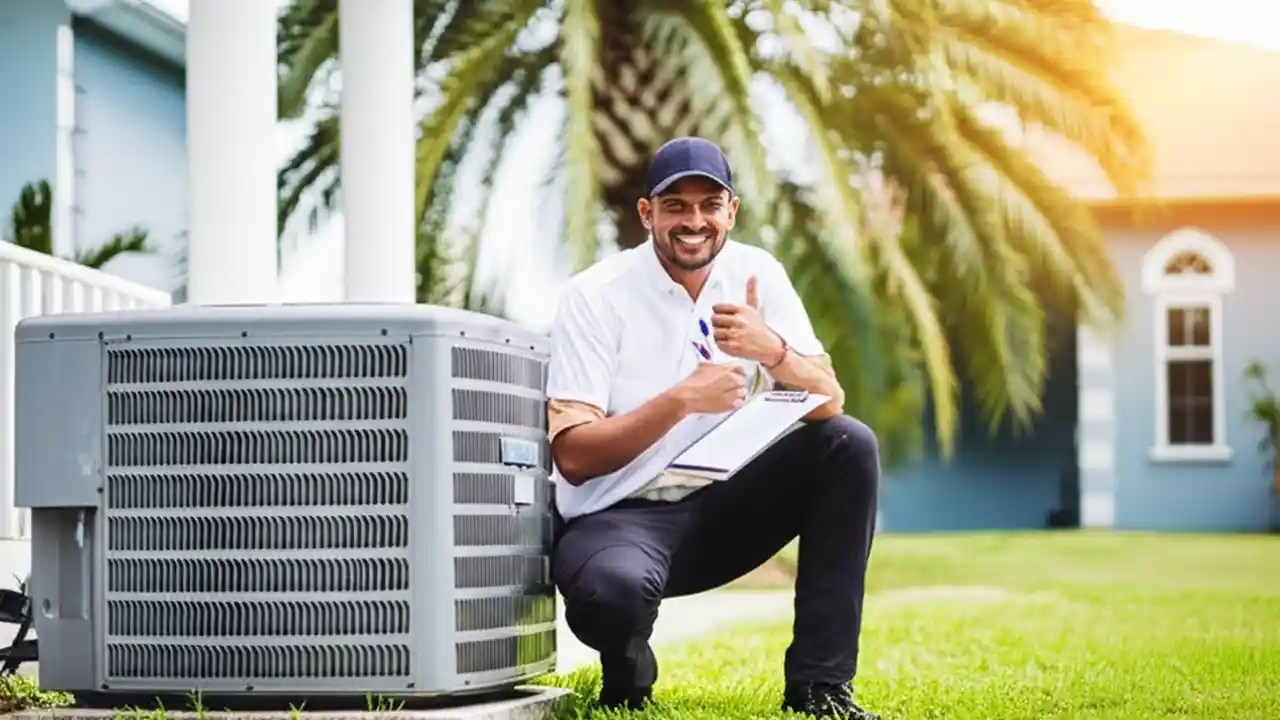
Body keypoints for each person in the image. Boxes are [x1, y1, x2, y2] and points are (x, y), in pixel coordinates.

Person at [544, 136, 880, 720]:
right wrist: (681, 401)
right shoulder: (594, 296)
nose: (694, 221)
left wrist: (770, 350)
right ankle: (628, 664)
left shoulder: (757, 274)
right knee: (610, 597)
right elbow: (573, 455)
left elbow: (829, 400)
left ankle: (820, 687)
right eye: (676, 206)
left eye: (709, 204)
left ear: (732, 211)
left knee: (848, 443)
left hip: (722, 508)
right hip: (619, 517)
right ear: (647, 213)